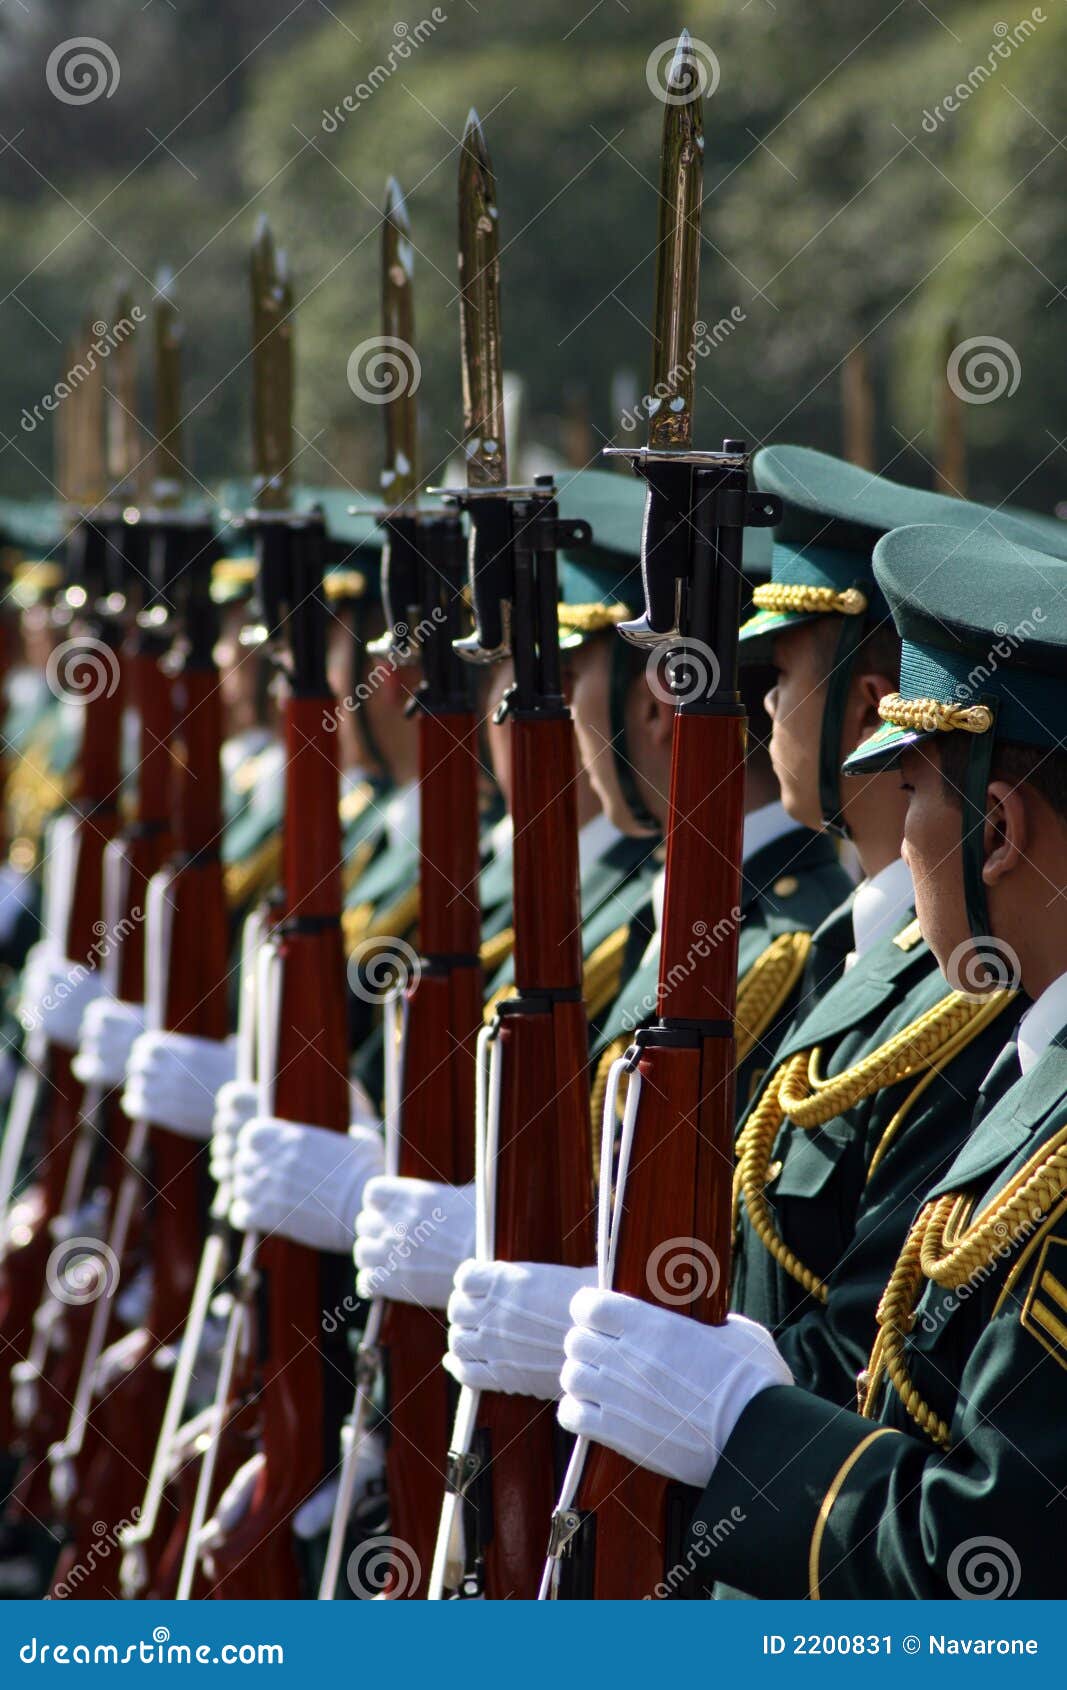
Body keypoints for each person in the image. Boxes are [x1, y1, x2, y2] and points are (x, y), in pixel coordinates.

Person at [558, 520, 1067, 1599]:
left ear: (995, 832)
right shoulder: (1026, 1066)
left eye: (915, 789)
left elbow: (985, 1559)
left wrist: (745, 1425)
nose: (899, 824)